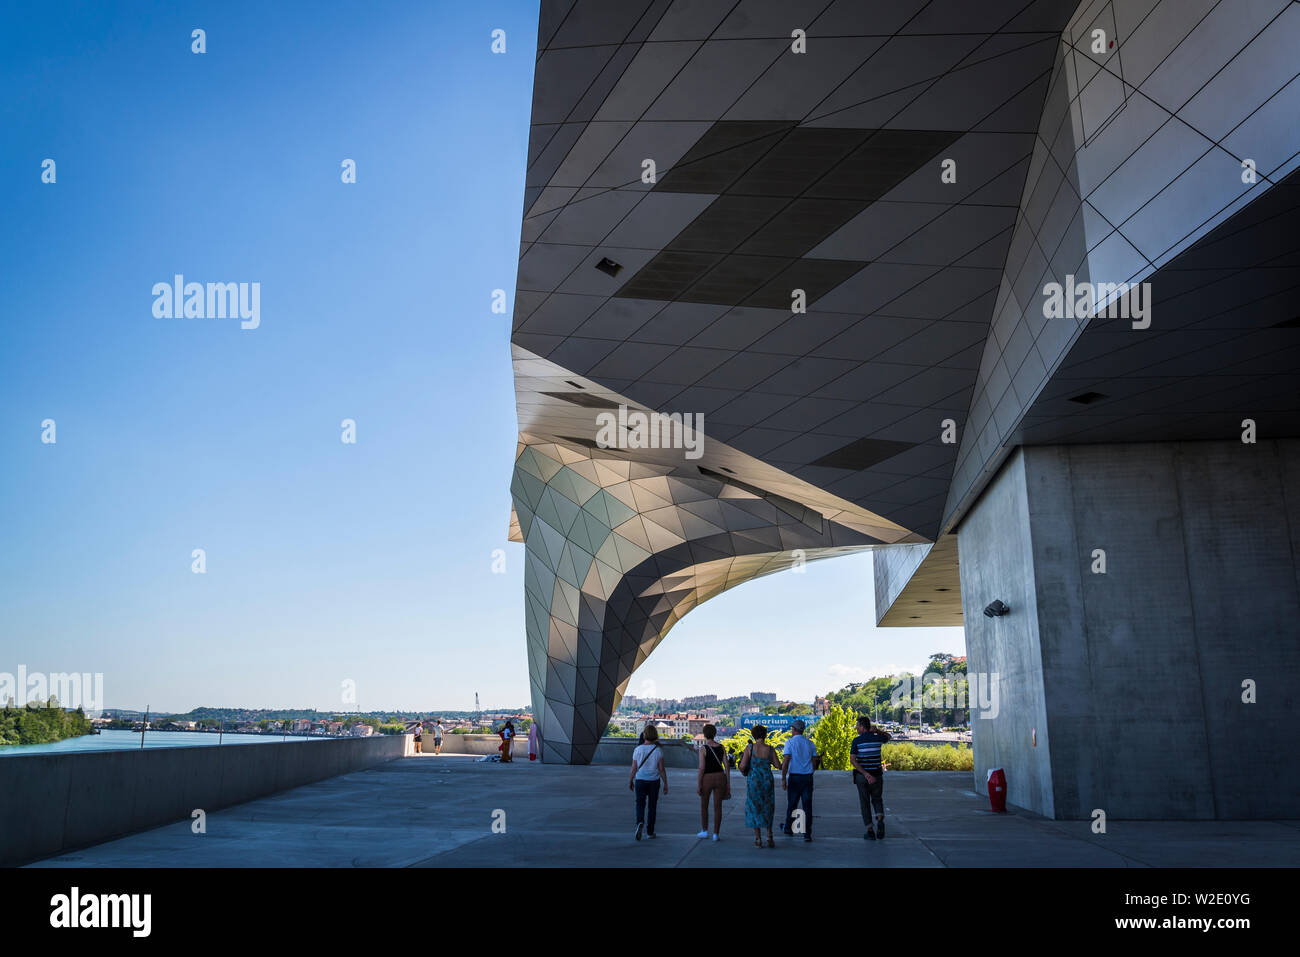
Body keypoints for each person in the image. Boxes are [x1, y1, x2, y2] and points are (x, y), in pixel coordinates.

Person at [849, 715, 891, 840]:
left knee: (865, 802)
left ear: (862, 727)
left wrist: (866, 774)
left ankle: (870, 831)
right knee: (877, 799)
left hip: (863, 777)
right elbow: (889, 737)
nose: (856, 728)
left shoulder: (856, 741)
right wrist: (877, 730)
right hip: (877, 775)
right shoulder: (878, 738)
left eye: (857, 726)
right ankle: (880, 820)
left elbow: (853, 760)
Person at [739, 725, 778, 848]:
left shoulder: (749, 748)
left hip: (754, 781)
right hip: (767, 781)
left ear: (754, 735)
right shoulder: (770, 749)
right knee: (768, 807)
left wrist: (742, 768)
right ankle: (770, 836)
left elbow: (743, 766)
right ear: (765, 735)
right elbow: (778, 765)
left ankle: (758, 838)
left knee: (754, 807)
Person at [629, 723, 668, 839]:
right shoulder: (658, 750)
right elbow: (661, 769)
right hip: (654, 781)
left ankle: (639, 822)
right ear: (655, 736)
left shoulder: (638, 749)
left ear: (644, 735)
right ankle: (650, 832)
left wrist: (630, 780)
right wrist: (666, 783)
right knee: (652, 806)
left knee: (640, 804)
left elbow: (634, 768)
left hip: (640, 780)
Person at [780, 719, 816, 841]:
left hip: (795, 778)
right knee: (807, 806)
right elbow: (814, 761)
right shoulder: (810, 743)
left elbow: (785, 762)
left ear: (794, 730)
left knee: (792, 804)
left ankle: (788, 828)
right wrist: (810, 771)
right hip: (807, 778)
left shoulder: (789, 743)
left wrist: (783, 778)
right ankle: (807, 834)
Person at [696, 724, 730, 841]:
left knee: (704, 805)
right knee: (718, 806)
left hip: (707, 778)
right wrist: (728, 783)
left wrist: (699, 783)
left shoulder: (703, 748)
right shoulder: (722, 747)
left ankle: (705, 830)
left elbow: (701, 767)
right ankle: (716, 834)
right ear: (715, 734)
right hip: (720, 777)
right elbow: (727, 766)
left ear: (705, 734)